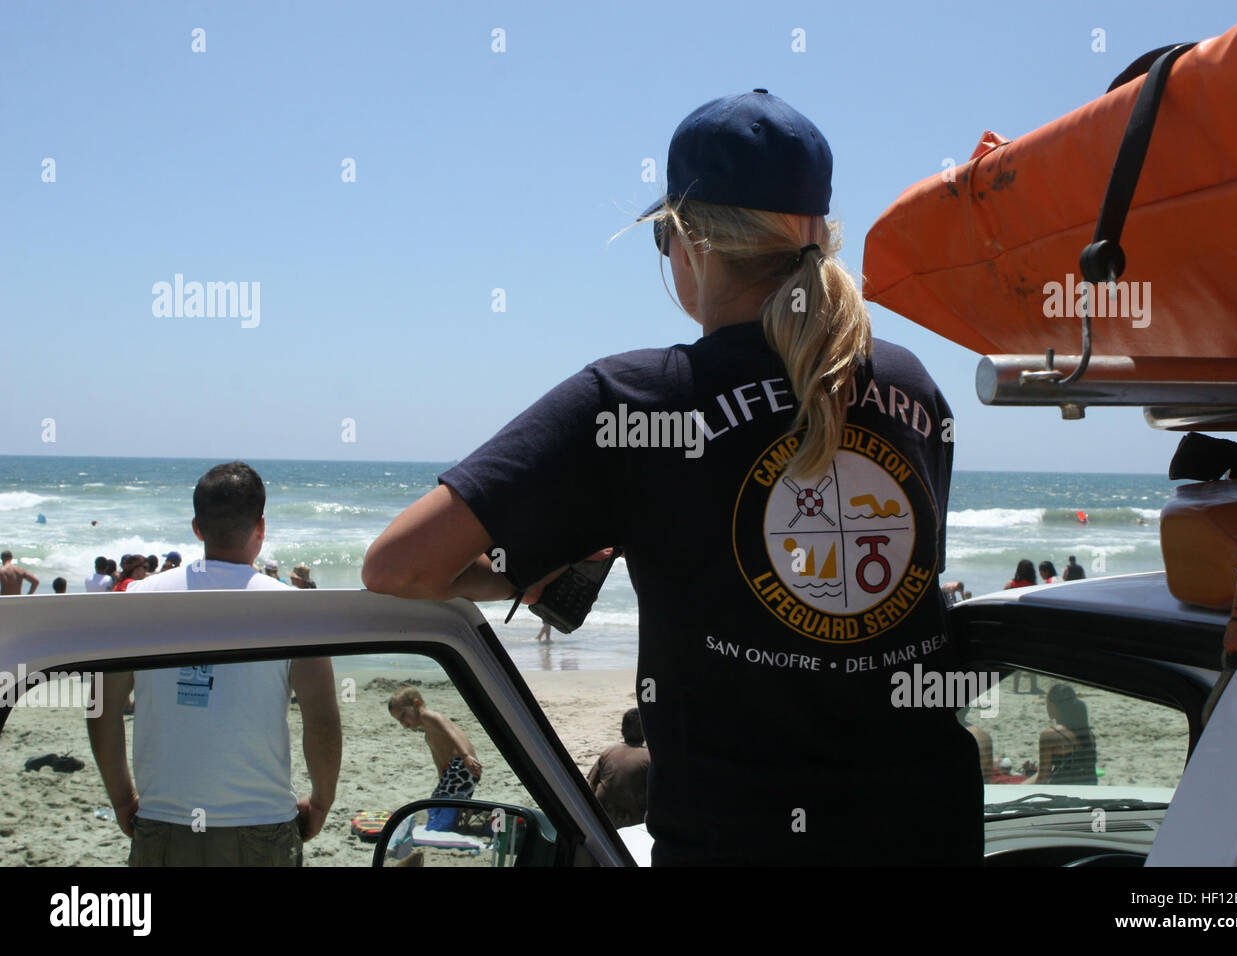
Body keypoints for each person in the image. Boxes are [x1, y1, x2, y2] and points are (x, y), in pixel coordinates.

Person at [362, 90, 980, 866]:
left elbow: (396, 565)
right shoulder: (912, 384)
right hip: (933, 834)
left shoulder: (632, 400)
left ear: (686, 241)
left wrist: (516, 578)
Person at [86, 461, 342, 866]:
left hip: (164, 821)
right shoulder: (294, 611)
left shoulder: (137, 599)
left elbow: (101, 707)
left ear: (197, 527)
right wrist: (323, 800)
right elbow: (322, 719)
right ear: (261, 527)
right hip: (263, 824)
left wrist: (121, 798)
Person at [388, 686, 482, 830]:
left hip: (462, 766)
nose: (403, 723)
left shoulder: (430, 716)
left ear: (417, 704)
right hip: (453, 770)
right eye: (399, 721)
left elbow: (452, 732)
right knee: (436, 801)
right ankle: (463, 813)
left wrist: (466, 756)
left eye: (403, 715)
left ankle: (446, 824)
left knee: (446, 802)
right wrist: (441, 778)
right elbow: (438, 759)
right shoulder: (428, 733)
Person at [586, 708, 651, 828]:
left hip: (602, 817)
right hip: (632, 822)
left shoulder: (609, 751)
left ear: (622, 730)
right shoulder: (649, 758)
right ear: (646, 732)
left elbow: (592, 785)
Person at [1022, 684, 1097, 785]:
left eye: (1047, 703)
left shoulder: (1050, 735)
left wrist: (1020, 788)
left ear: (1052, 706)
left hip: (1063, 794)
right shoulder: (1088, 733)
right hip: (1089, 791)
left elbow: (1042, 778)